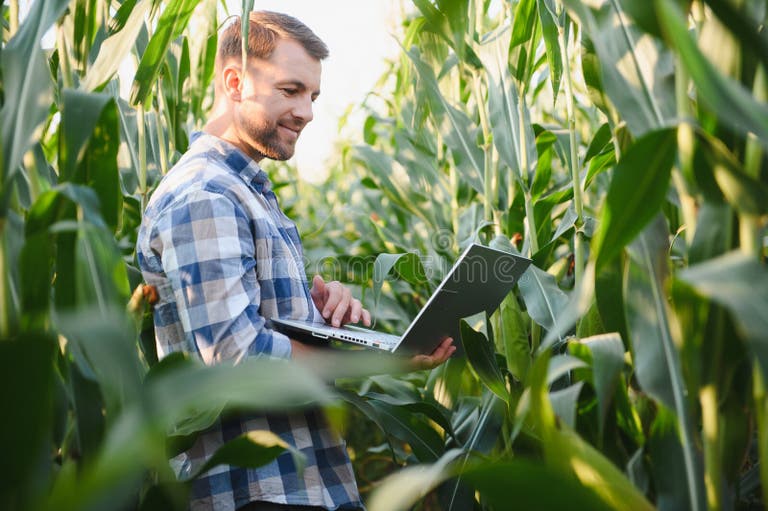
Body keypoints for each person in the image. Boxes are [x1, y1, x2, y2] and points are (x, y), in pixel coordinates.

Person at [135, 10, 455, 511]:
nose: (307, 111)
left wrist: (318, 315)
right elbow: (237, 359)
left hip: (298, 481)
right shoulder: (206, 195)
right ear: (235, 82)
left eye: (313, 95)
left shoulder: (246, 190)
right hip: (255, 491)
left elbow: (253, 322)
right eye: (290, 90)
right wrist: (376, 358)